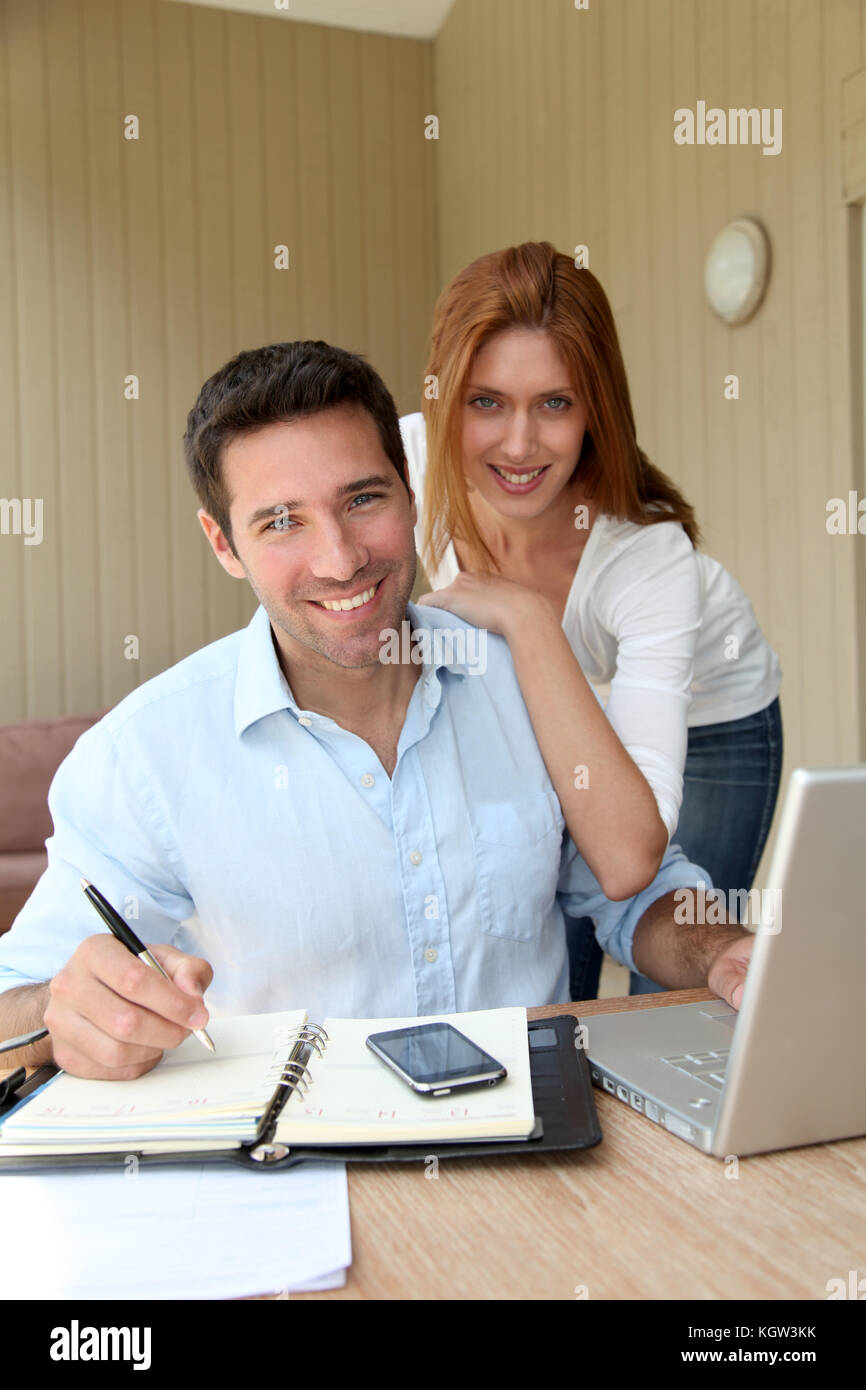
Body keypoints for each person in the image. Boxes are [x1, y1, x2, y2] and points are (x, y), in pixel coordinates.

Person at [0, 340, 753, 1082]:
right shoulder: (147, 754)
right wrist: (66, 1013)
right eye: (282, 522)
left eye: (362, 500)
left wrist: (721, 952)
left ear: (412, 492)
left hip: (530, 1158)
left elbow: (637, 894)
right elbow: (16, 1004)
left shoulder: (525, 684)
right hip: (285, 1178)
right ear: (224, 543)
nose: (340, 559)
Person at [401, 241, 782, 1000]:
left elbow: (628, 862)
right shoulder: (409, 461)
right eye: (486, 402)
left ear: (594, 408)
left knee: (675, 981)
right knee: (557, 978)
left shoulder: (649, 562)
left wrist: (524, 616)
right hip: (554, 708)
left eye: (554, 403)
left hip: (711, 720)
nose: (518, 444)